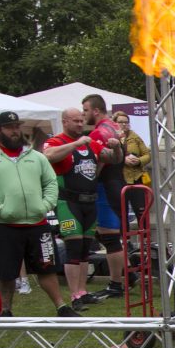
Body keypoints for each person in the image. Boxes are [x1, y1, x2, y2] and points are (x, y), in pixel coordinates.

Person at [0, 111, 79, 317]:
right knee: (5, 273)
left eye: (17, 127)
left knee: (47, 268)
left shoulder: (36, 156)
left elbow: (50, 182)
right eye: (9, 127)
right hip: (4, 225)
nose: (15, 131)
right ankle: (5, 310)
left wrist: (46, 204)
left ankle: (61, 306)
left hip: (37, 223)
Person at [44, 108, 116, 311]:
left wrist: (117, 147)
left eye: (81, 120)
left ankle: (83, 292)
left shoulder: (90, 142)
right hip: (69, 202)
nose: (79, 124)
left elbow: (111, 158)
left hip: (89, 202)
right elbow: (48, 155)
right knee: (73, 249)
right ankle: (74, 295)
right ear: (65, 121)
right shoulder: (57, 141)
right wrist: (75, 144)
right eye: (75, 120)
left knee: (85, 249)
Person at [82, 94, 127, 299]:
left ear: (96, 110)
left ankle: (116, 283)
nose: (83, 115)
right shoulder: (113, 127)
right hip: (116, 183)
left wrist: (88, 182)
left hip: (105, 188)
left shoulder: (100, 131)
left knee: (110, 237)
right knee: (106, 234)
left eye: (85, 110)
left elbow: (98, 163)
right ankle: (125, 276)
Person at [116, 111, 151, 225]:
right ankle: (126, 240)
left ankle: (146, 238)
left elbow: (147, 155)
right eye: (121, 122)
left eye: (126, 122)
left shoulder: (135, 137)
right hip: (120, 178)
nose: (124, 125)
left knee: (141, 209)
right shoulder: (112, 137)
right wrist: (122, 160)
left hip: (136, 177)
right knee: (122, 211)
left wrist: (139, 161)